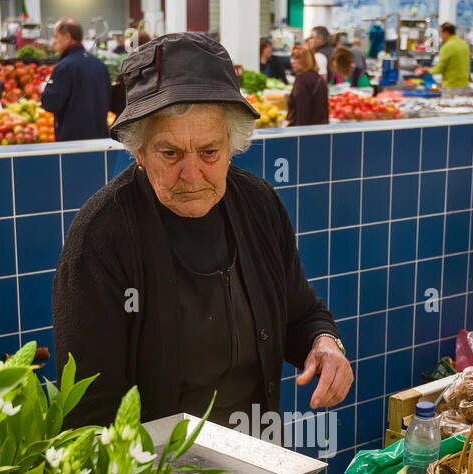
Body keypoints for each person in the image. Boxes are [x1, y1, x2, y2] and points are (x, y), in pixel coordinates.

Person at [52, 32, 352, 429]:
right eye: (170, 153)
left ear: (232, 144)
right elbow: (90, 412)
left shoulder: (259, 205)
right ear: (139, 152)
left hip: (257, 456)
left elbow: (299, 312)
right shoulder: (101, 239)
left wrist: (324, 342)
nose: (191, 175)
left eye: (209, 152)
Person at [40, 18, 110, 142]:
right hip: (101, 140)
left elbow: (51, 104)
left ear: (67, 37)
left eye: (56, 37)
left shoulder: (64, 66)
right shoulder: (99, 64)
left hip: (73, 143)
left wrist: (44, 90)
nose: (54, 42)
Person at [287, 44, 328, 125]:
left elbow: (302, 112)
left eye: (297, 58)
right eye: (292, 57)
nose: (292, 61)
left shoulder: (301, 79)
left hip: (304, 131)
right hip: (321, 130)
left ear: (307, 60)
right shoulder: (320, 79)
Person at [429, 21, 471, 95]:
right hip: (465, 86)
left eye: (440, 33)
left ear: (446, 33)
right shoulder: (464, 45)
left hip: (451, 87)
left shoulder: (447, 46)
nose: (440, 36)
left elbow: (439, 69)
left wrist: (426, 70)